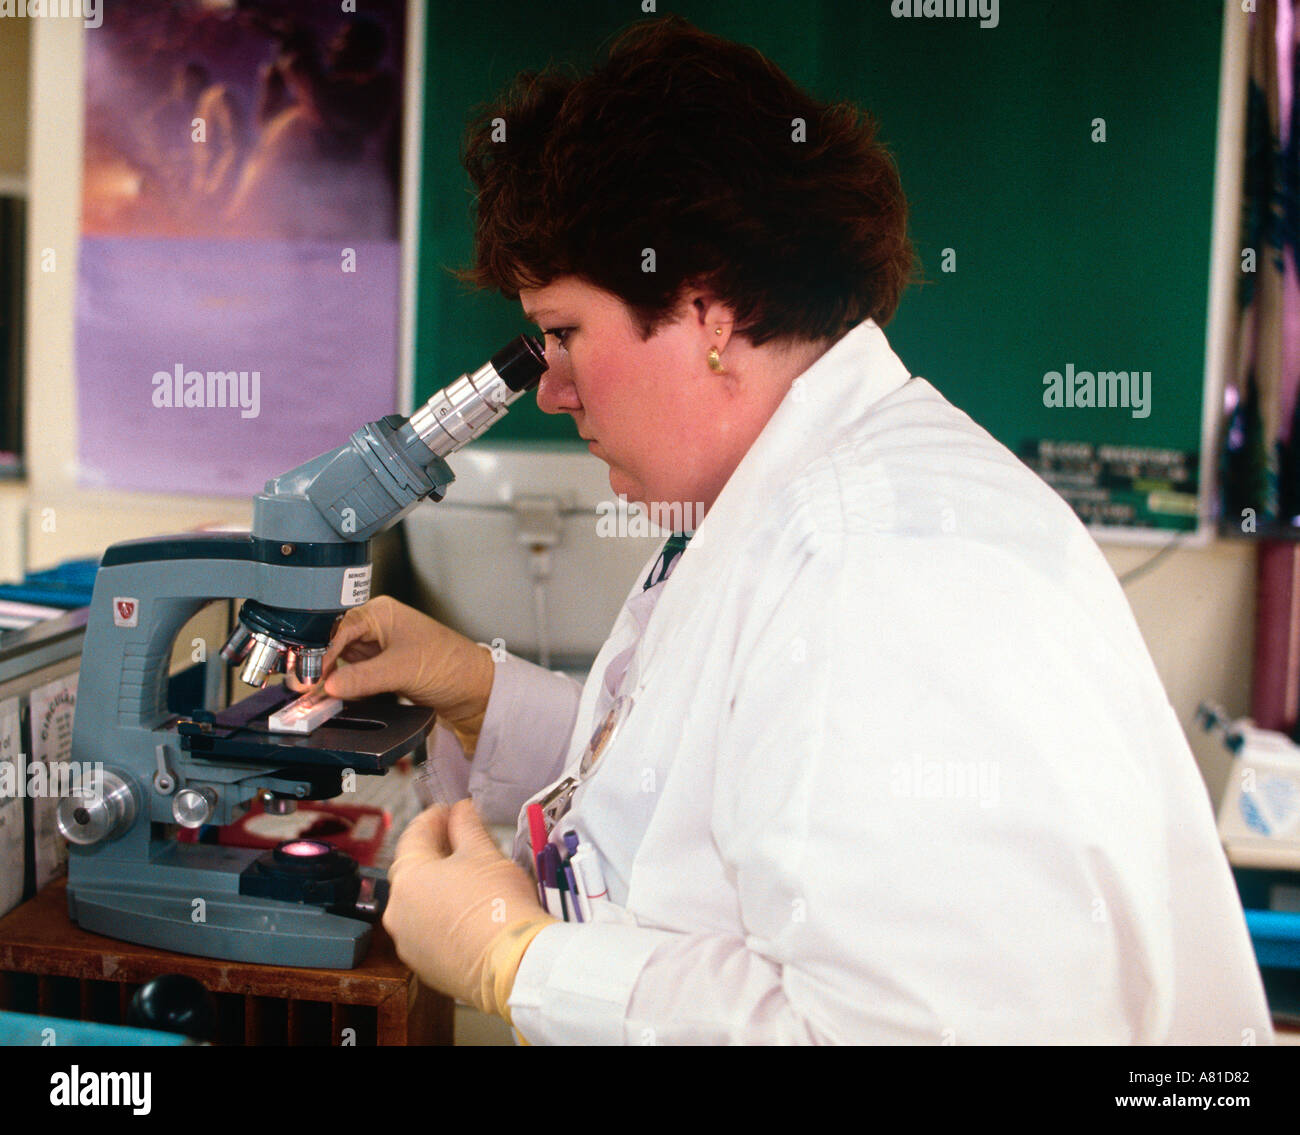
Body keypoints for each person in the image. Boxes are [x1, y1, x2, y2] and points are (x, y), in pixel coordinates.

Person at [310, 18, 1274, 1044]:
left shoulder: (888, 567)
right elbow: (735, 789)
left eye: (562, 333)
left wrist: (525, 962)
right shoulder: (790, 497)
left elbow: (904, 1032)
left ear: (709, 308)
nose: (550, 389)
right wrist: (480, 691)